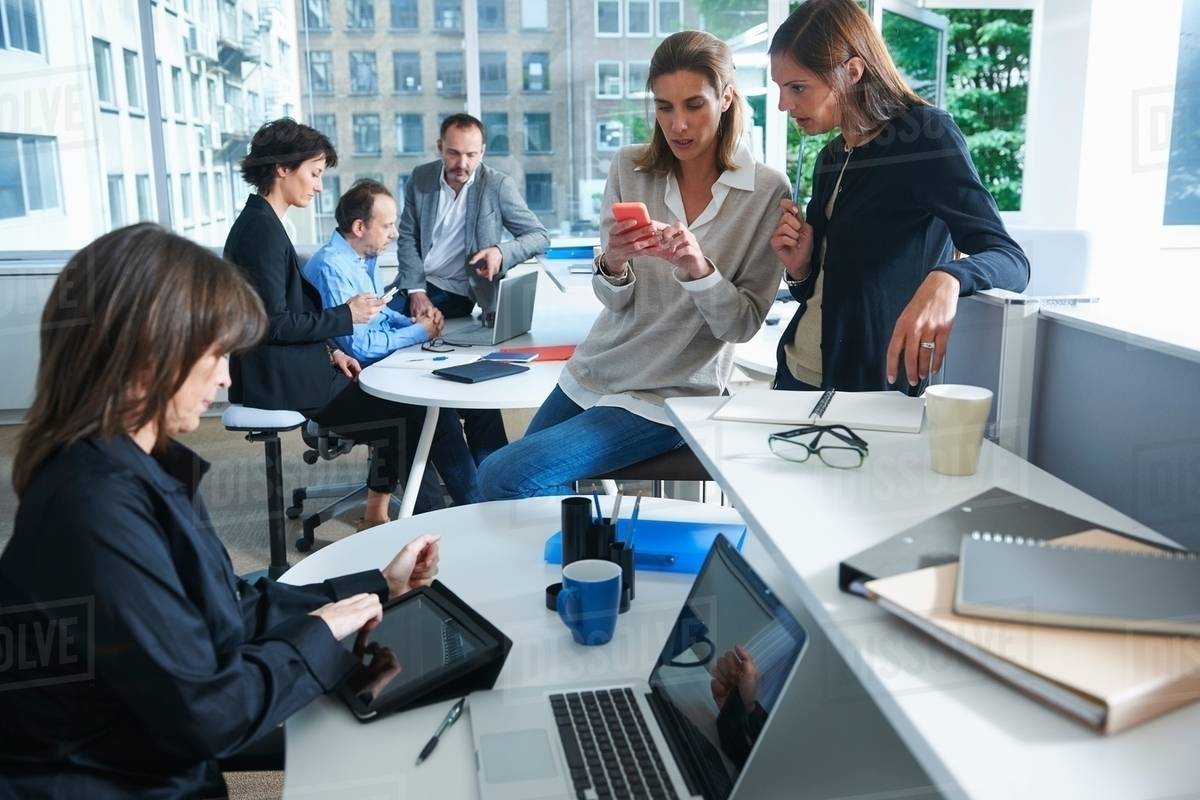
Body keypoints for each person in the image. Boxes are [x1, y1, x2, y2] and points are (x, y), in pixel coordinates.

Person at [0, 223, 442, 798]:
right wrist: (316, 634)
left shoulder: (142, 464)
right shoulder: (93, 509)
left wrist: (375, 587)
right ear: (147, 357)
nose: (228, 377)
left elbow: (224, 611)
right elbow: (205, 714)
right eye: (215, 356)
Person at [478, 31, 789, 499]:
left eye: (693, 105)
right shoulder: (630, 168)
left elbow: (741, 325)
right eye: (664, 107)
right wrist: (616, 261)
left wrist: (699, 270)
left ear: (726, 98)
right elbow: (612, 301)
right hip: (593, 372)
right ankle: (587, 547)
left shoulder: (766, 191)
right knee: (505, 484)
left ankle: (597, 561)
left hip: (670, 394)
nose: (678, 125)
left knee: (503, 476)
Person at [768, 0, 1029, 393]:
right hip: (796, 374)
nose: (784, 104)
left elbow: (1011, 260)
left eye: (797, 87)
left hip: (871, 393)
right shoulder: (831, 157)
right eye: (780, 89)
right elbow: (831, 293)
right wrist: (802, 268)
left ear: (851, 71)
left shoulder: (926, 135)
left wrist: (949, 278)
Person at [226, 118, 468, 523]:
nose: (319, 185)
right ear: (283, 168)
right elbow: (272, 324)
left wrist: (329, 349)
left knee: (414, 408)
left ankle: (403, 513)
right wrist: (346, 316)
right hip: (279, 376)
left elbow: (286, 313)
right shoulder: (260, 231)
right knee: (411, 412)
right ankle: (433, 520)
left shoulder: (265, 223)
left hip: (300, 361)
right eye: (314, 173)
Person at [303, 179, 508, 499]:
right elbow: (356, 346)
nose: (395, 233)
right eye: (386, 225)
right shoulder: (333, 267)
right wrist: (418, 332)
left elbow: (378, 312)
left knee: (480, 400)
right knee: (436, 412)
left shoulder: (363, 257)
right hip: (354, 375)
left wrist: (414, 320)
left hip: (386, 361)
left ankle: (499, 492)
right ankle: (474, 504)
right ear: (359, 226)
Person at [395, 112, 550, 321]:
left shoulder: (497, 186)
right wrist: (416, 290)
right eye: (453, 153)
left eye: (471, 155)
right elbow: (407, 237)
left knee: (390, 321)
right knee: (373, 316)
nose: (462, 163)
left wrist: (500, 252)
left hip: (456, 291)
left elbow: (540, 236)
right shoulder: (421, 177)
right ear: (440, 147)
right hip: (415, 282)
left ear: (482, 152)